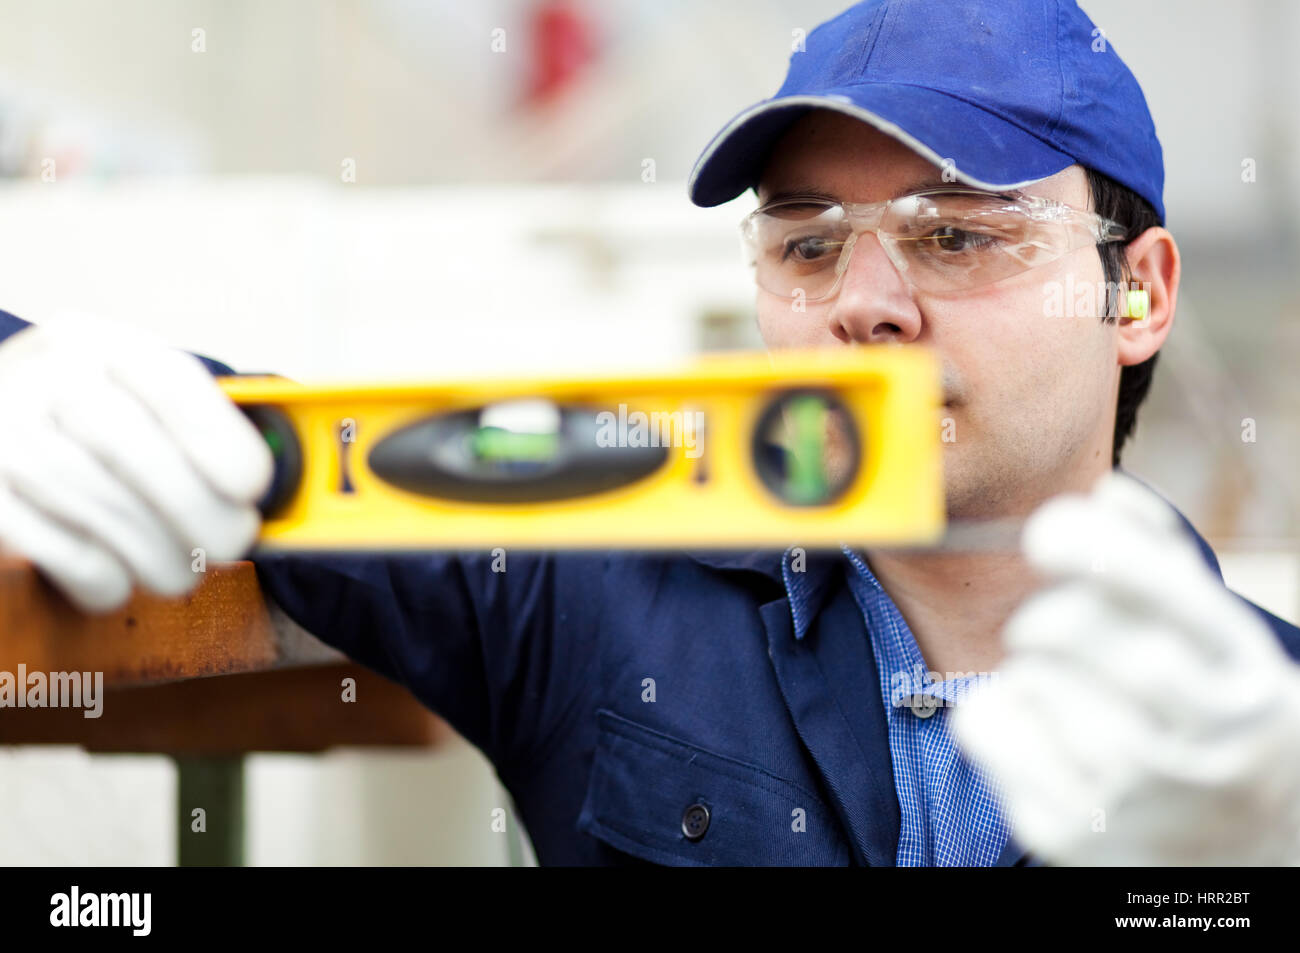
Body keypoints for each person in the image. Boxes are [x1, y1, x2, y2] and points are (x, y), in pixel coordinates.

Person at [1, 0, 1297, 866]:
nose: (864, 305)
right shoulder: (596, 589)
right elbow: (257, 447)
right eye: (807, 245)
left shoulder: (1265, 743)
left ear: (1141, 294)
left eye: (957, 235)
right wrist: (26, 376)